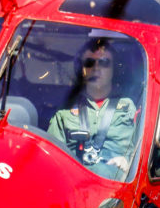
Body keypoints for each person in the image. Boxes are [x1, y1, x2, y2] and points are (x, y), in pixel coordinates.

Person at [47, 38, 137, 180]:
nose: (96, 68)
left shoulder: (129, 108)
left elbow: (144, 150)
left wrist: (130, 163)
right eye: (89, 63)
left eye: (104, 63)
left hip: (118, 189)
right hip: (75, 186)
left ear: (114, 69)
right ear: (81, 69)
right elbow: (50, 160)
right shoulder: (64, 113)